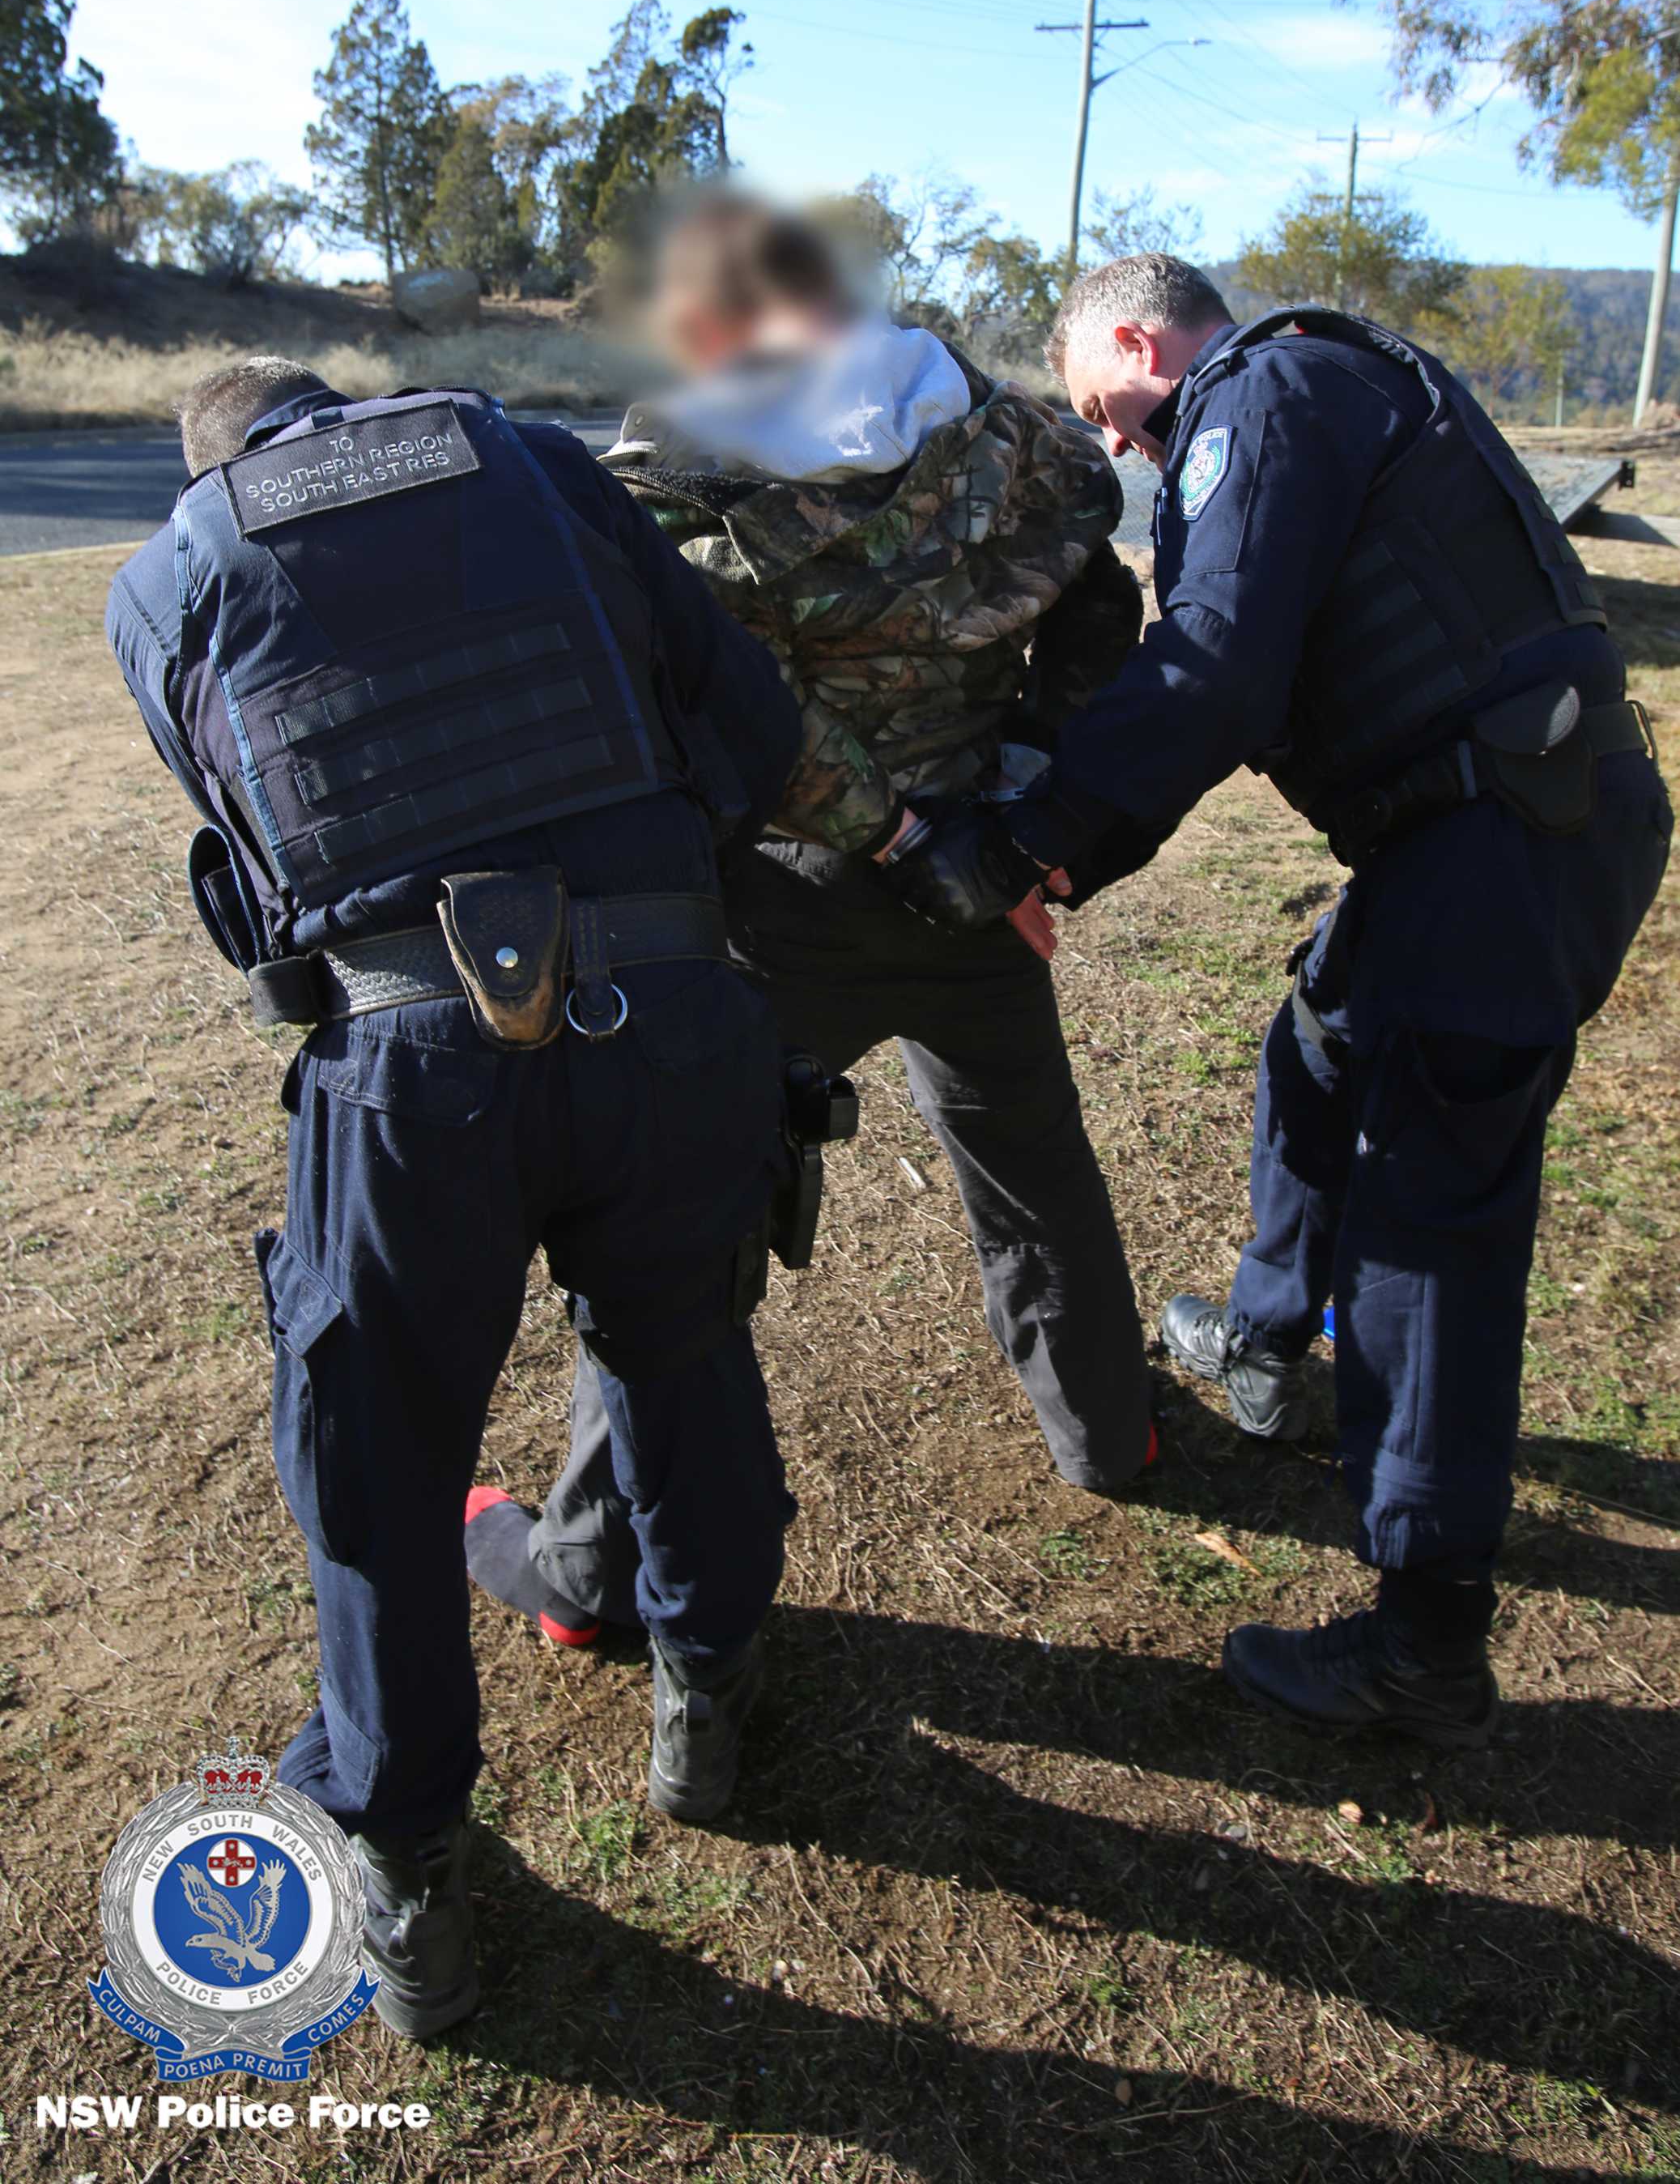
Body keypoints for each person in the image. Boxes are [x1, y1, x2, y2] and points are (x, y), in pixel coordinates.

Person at [105, 354, 805, 2040]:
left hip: (411, 1063)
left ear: (212, 464)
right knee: (679, 1346)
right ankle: (707, 1691)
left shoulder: (172, 574)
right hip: (666, 1011)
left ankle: (407, 1859)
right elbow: (758, 734)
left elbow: (252, 867)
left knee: (382, 1453)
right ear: (338, 414)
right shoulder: (540, 463)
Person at [886, 254, 1671, 1745]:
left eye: (1102, 406)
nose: (1113, 445)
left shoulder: (1269, 390)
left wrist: (1032, 847)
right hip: (1478, 826)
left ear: (1136, 335)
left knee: (1428, 1224)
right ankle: (1262, 1346)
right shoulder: (1315, 391)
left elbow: (1218, 669)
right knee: (1321, 1048)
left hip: (1501, 843)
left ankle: (1426, 1638)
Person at [469, 194, 1155, 1653]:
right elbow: (1099, 616)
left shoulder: (681, 465)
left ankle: (586, 1572)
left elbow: (669, 694)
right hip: (978, 890)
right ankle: (1113, 1437)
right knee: (1034, 1172)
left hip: (775, 907)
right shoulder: (1011, 433)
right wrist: (1022, 808)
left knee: (675, 1238)